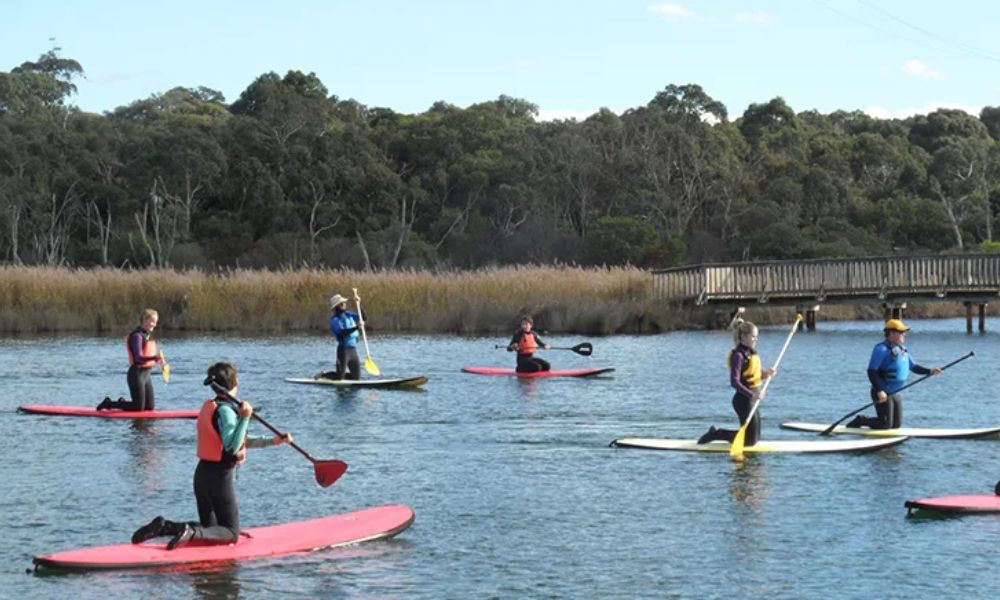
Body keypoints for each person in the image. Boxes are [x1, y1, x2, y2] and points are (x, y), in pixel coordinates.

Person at [131, 362, 292, 550]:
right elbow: (232, 446)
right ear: (236, 381)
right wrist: (245, 418)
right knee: (231, 533)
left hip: (202, 475)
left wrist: (273, 441)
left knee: (213, 530)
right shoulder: (226, 411)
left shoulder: (212, 406)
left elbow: (239, 439)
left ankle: (167, 527)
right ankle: (190, 532)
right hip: (219, 477)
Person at [847, 319, 942, 430]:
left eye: (904, 332)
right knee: (885, 424)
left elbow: (914, 367)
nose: (904, 335)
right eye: (901, 332)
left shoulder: (903, 350)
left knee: (896, 426)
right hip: (881, 392)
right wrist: (879, 391)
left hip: (894, 393)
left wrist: (930, 371)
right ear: (891, 333)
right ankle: (860, 420)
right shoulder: (881, 349)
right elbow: (871, 371)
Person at [697, 321, 776, 446]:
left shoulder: (752, 354)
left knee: (755, 438)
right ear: (744, 337)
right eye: (753, 337)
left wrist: (767, 374)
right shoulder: (738, 356)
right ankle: (716, 434)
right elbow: (734, 382)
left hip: (752, 400)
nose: (756, 340)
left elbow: (756, 375)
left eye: (757, 337)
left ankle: (719, 433)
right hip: (743, 401)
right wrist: (752, 395)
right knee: (750, 441)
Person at [97, 308, 165, 411]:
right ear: (145, 320)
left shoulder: (147, 336)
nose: (155, 324)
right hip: (136, 374)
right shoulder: (137, 336)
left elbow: (149, 356)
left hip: (146, 375)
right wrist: (155, 358)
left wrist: (159, 361)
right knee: (138, 408)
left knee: (149, 408)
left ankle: (122, 403)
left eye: (156, 322)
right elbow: (138, 358)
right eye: (153, 321)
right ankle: (108, 403)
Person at [315, 291, 365, 380]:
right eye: (343, 303)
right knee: (339, 378)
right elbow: (342, 333)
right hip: (343, 351)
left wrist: (359, 304)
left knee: (357, 379)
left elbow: (363, 317)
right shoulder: (335, 320)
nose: (345, 304)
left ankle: (339, 376)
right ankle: (324, 375)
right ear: (338, 306)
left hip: (353, 350)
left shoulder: (348, 315)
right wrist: (356, 327)